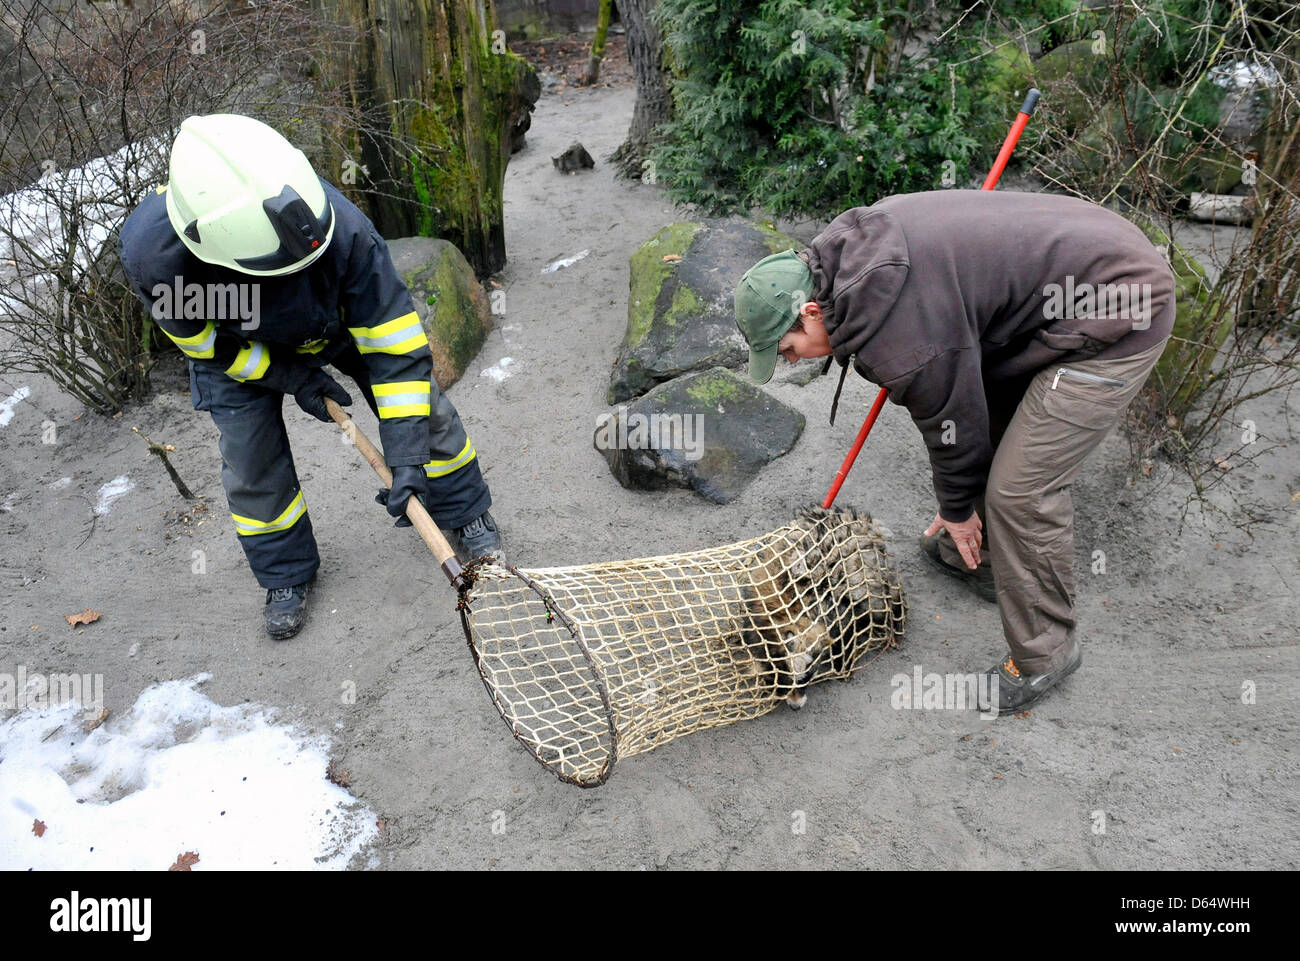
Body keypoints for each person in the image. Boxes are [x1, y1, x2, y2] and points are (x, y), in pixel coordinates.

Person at [734, 189, 1174, 715]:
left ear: (809, 312)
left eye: (785, 349)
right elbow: (964, 401)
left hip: (1120, 305)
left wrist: (958, 509)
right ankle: (987, 565)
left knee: (1021, 490)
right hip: (1070, 274)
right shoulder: (851, 253)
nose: (787, 363)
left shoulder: (905, 340)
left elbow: (952, 426)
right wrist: (957, 505)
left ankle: (1046, 653)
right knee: (1000, 433)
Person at [120, 114, 502, 640]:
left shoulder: (341, 229)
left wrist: (407, 457)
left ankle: (465, 509)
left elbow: (393, 349)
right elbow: (208, 346)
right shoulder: (159, 260)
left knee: (425, 413)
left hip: (337, 321)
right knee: (251, 459)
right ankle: (285, 573)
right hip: (241, 350)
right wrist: (290, 377)